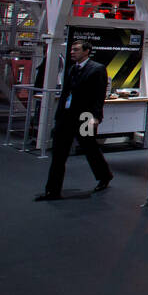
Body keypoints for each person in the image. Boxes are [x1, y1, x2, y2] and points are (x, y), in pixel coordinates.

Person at [35, 40, 112, 200]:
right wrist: (59, 114)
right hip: (67, 116)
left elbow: (99, 95)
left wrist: (96, 116)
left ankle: (104, 175)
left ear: (86, 51)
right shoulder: (71, 69)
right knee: (59, 153)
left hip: (86, 117)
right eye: (72, 49)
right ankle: (53, 190)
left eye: (76, 49)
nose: (72, 52)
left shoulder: (97, 69)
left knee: (90, 148)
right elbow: (66, 93)